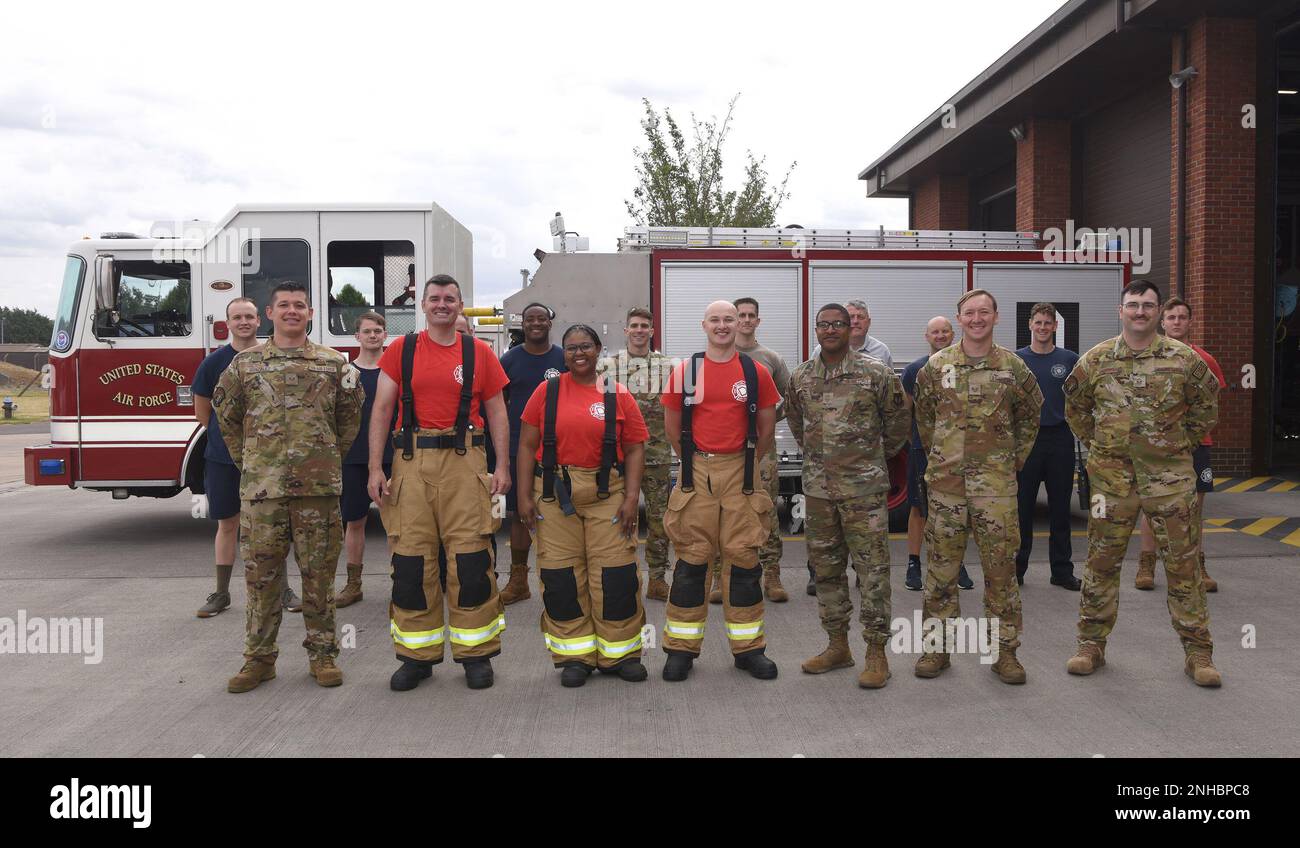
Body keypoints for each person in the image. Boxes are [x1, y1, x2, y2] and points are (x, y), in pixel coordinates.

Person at [1064, 280, 1222, 686]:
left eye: (1148, 305)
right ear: (1121, 311)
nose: (1140, 312)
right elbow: (1076, 409)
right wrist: (1102, 445)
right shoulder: (1096, 360)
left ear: (1157, 312)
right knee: (1100, 562)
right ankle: (1090, 646)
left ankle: (1198, 654)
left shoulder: (1185, 359)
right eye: (1133, 305)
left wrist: (1175, 447)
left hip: (1170, 481)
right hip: (1109, 484)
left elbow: (1206, 409)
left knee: (1183, 566)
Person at [214, 281, 364, 692]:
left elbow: (349, 420)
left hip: (317, 491)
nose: (292, 311)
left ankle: (323, 656)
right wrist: (253, 462)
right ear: (270, 313)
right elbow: (226, 416)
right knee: (261, 579)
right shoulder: (245, 365)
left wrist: (323, 456)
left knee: (318, 577)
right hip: (263, 492)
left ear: (311, 314)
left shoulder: (335, 365)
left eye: (300, 305)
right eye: (284, 305)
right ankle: (258, 660)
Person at [368, 275, 512, 692]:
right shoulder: (401, 350)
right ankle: (417, 657)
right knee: (412, 563)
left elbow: (498, 413)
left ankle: (476, 655)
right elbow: (381, 410)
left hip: (467, 463)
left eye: (450, 299)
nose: (442, 305)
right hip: (410, 463)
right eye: (434, 299)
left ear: (461, 305)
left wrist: (502, 465)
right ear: (423, 305)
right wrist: (376, 468)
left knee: (469, 562)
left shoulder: (480, 352)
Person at [913, 289, 1042, 684]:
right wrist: (946, 457)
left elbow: (1030, 416)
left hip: (996, 489)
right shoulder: (935, 368)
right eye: (969, 313)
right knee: (940, 572)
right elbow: (924, 420)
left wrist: (1010, 461)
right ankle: (936, 650)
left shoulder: (1014, 368)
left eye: (984, 312)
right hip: (947, 487)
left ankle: (1004, 653)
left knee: (1001, 573)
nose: (977, 319)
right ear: (959, 319)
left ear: (996, 318)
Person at [516, 325, 650, 687]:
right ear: (564, 353)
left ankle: (619, 654)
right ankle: (574, 656)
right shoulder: (548, 391)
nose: (579, 353)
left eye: (586, 347)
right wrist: (523, 496)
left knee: (616, 575)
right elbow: (527, 445)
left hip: (608, 494)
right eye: (572, 347)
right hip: (555, 495)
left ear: (599, 350)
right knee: (561, 578)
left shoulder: (617, 394)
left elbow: (636, 447)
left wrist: (632, 498)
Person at [787, 304, 909, 688]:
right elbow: (795, 420)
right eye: (823, 324)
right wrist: (821, 458)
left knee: (872, 572)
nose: (830, 330)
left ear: (850, 328)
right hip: (819, 491)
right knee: (826, 570)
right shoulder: (802, 376)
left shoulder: (876, 373)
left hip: (864, 491)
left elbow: (898, 422)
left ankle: (876, 652)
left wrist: (868, 459)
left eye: (838, 323)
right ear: (816, 330)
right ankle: (837, 645)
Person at [658, 301, 780, 682]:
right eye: (716, 320)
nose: (724, 325)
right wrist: (696, 461)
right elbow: (672, 423)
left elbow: (765, 426)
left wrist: (744, 463)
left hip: (742, 473)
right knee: (692, 563)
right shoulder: (685, 372)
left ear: (738, 324)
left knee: (744, 561)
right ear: (704, 325)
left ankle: (749, 650)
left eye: (730, 319)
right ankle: (680, 650)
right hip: (698, 472)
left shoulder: (755, 371)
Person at [193, 298, 303, 617]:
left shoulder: (274, 358)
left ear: (260, 320)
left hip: (267, 460)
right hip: (223, 459)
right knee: (227, 524)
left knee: (273, 526)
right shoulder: (213, 363)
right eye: (236, 317)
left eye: (249, 317)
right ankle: (221, 593)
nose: (243, 322)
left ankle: (284, 591)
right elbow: (203, 412)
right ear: (227, 323)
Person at [1133, 296, 1227, 593]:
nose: (1176, 322)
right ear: (1162, 321)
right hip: (1158, 447)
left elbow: (1212, 404)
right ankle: (1147, 565)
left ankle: (1197, 566)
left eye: (1182, 317)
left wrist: (1193, 437)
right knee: (1152, 507)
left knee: (1194, 510)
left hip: (1196, 446)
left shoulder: (1205, 360)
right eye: (1171, 317)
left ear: (1190, 322)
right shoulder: (1149, 357)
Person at [597, 307, 674, 601]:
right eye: (634, 326)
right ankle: (623, 573)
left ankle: (657, 578)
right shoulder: (607, 367)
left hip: (656, 455)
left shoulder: (668, 367)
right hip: (619, 457)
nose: (639, 330)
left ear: (652, 331)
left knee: (659, 519)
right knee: (619, 517)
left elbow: (678, 409)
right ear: (626, 330)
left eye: (645, 325)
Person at [497, 303, 566, 605]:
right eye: (529, 319)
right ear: (522, 324)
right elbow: (498, 406)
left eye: (541, 318)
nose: (535, 323)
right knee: (520, 513)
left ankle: (561, 578)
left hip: (560, 449)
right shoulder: (509, 361)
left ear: (551, 322)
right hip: (518, 447)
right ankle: (518, 580)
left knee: (561, 513)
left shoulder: (564, 358)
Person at [1014, 303, 1082, 591]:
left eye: (1047, 323)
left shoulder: (1069, 359)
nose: (1042, 328)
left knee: (1060, 509)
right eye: (1038, 322)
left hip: (1060, 439)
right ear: (1030, 325)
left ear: (1056, 327)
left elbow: (1083, 398)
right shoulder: (1016, 360)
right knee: (1022, 509)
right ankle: (1016, 570)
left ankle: (1062, 571)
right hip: (1028, 441)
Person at [900, 316, 968, 592]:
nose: (940, 336)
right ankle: (914, 563)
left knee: (957, 510)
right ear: (926, 336)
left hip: (956, 454)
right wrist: (917, 441)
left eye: (944, 331)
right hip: (922, 450)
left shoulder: (965, 367)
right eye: (934, 332)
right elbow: (905, 414)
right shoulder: (915, 369)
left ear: (953, 334)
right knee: (918, 508)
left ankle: (957, 564)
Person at [734, 297, 792, 603]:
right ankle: (723, 575)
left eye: (750, 315)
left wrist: (770, 419)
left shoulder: (770, 358)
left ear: (758, 320)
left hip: (762, 447)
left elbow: (790, 396)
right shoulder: (718, 357)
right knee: (726, 511)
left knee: (765, 508)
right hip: (726, 447)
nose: (745, 320)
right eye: (739, 315)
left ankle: (772, 575)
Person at [337, 311, 395, 607]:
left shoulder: (395, 371)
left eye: (379, 331)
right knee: (355, 521)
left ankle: (401, 582)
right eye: (368, 331)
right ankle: (353, 583)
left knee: (394, 523)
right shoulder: (346, 373)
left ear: (385, 335)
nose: (374, 335)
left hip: (390, 457)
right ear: (357, 336)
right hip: (354, 458)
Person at [811, 299, 893, 367]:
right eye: (851, 317)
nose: (856, 321)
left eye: (860, 317)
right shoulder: (821, 350)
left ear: (869, 322)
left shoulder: (882, 351)